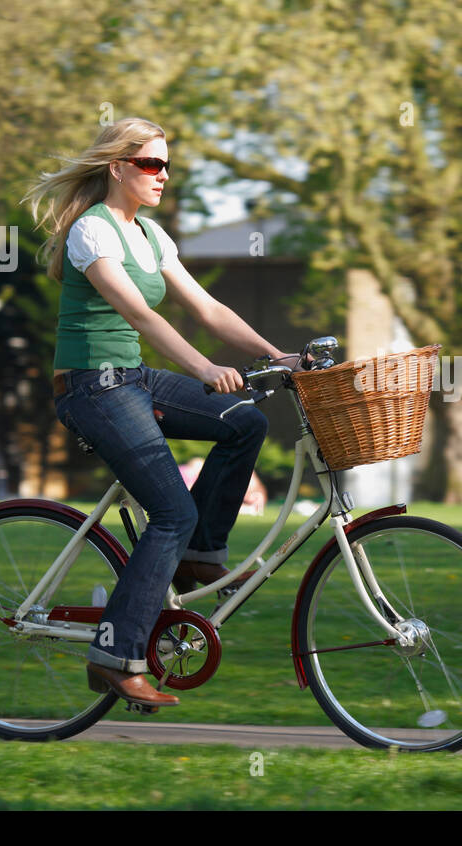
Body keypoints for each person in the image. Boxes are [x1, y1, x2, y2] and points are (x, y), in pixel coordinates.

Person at [23, 116, 298, 709]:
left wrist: (279, 355)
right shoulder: (90, 232)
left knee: (244, 421)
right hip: (92, 387)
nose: (163, 175)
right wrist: (204, 369)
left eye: (168, 165)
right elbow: (144, 317)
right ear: (117, 167)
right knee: (170, 509)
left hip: (133, 379)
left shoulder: (151, 236)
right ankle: (115, 657)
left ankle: (201, 557)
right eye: (151, 164)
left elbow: (208, 307)